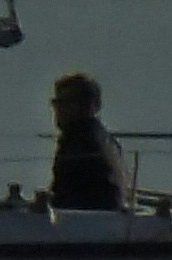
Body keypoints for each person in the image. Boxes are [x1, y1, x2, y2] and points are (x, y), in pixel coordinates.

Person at [47, 70, 128, 211]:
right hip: (107, 217)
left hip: (82, 221)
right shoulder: (107, 141)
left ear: (86, 105)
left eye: (63, 103)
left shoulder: (78, 139)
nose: (58, 109)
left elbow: (64, 194)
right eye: (55, 103)